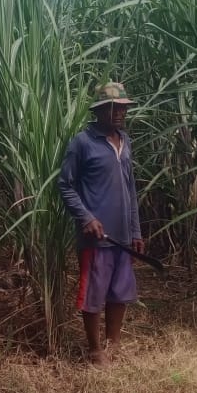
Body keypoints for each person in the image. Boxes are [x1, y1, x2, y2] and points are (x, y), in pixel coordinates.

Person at [58, 81, 144, 366]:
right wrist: (87, 217)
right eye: (112, 108)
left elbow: (130, 188)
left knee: (120, 290)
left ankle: (113, 343)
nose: (119, 113)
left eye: (122, 108)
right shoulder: (82, 142)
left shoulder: (124, 140)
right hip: (97, 235)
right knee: (94, 291)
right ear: (98, 111)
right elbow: (65, 185)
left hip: (122, 236)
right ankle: (95, 351)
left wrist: (136, 230)